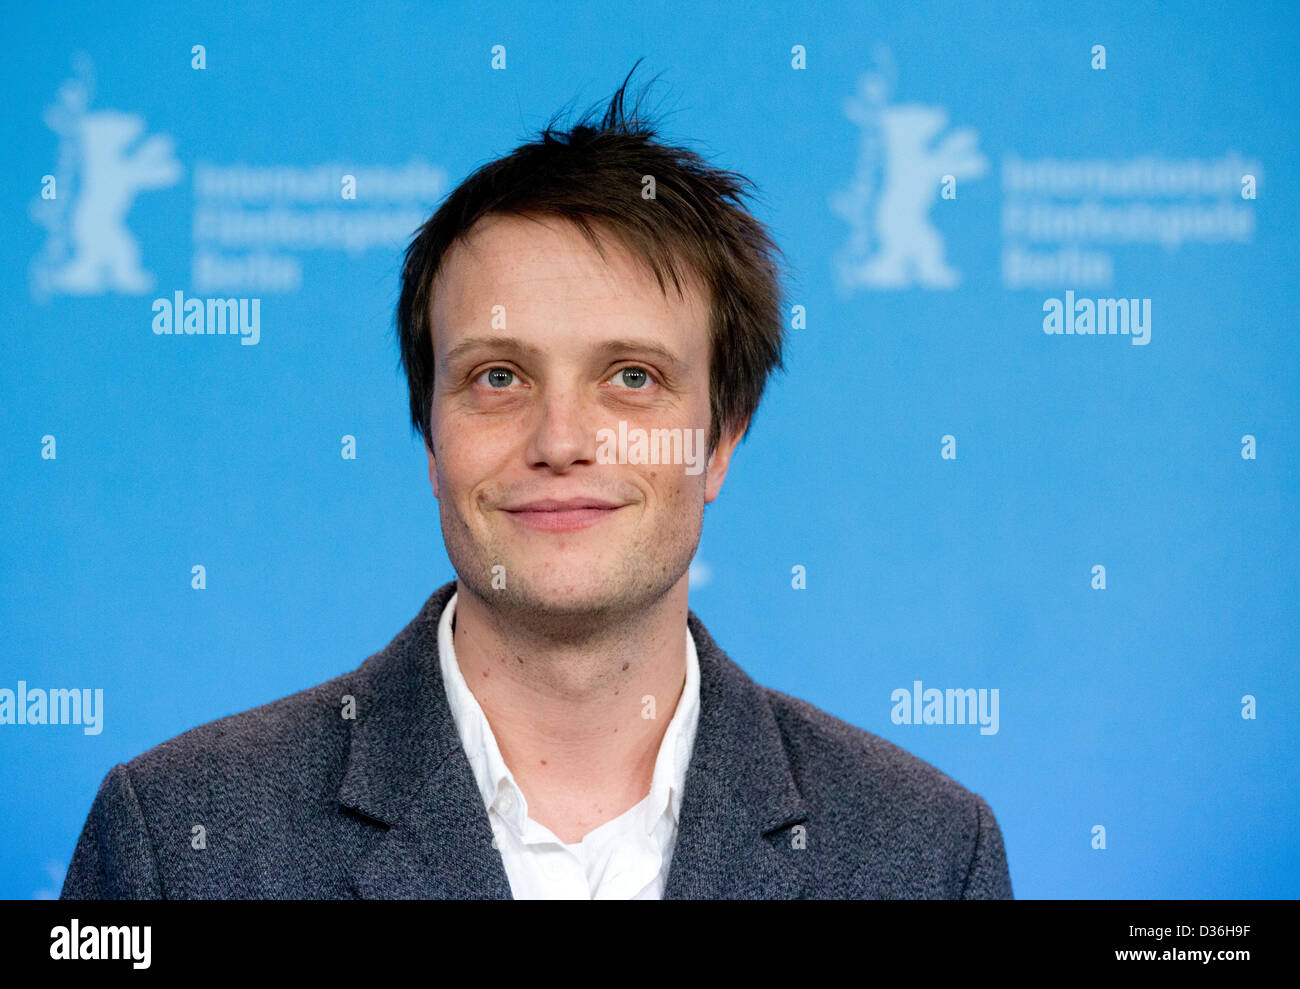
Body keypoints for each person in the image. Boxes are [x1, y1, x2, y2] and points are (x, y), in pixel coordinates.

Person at [61, 65, 1012, 900]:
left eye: (631, 378)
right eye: (498, 377)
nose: (560, 440)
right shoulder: (178, 839)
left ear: (720, 440)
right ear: (431, 439)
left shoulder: (925, 852)